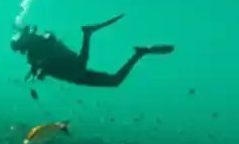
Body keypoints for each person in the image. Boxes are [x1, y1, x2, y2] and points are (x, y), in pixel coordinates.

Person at [11, 14, 173, 88]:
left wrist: (40, 72)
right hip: (75, 75)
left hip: (73, 71)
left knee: (82, 65)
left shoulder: (35, 53)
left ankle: (87, 34)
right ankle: (139, 53)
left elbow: (46, 65)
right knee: (115, 81)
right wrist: (37, 72)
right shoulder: (37, 49)